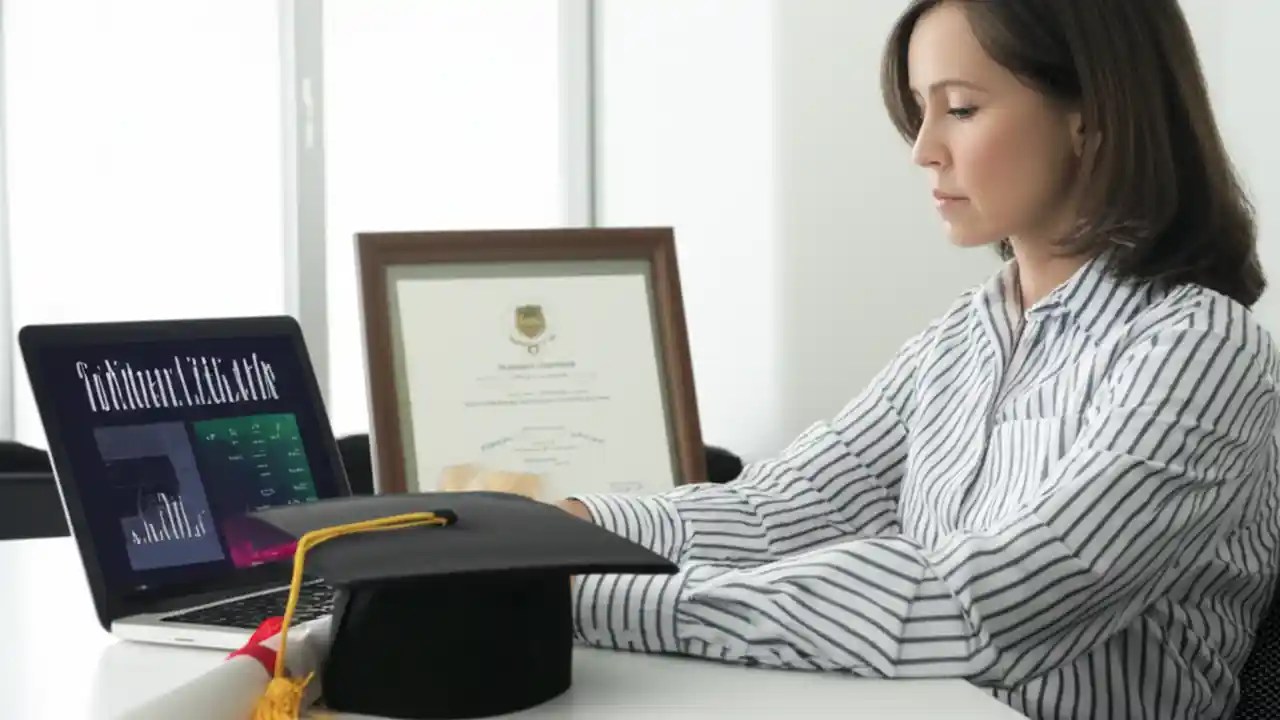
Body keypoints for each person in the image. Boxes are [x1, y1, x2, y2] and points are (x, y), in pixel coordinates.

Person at [557, 1, 1280, 718]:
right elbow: (785, 507)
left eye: (960, 108)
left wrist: (585, 598)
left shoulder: (1202, 349)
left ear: (1090, 116)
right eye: (919, 110)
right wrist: (558, 528)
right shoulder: (963, 340)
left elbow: (990, 604)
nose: (923, 148)